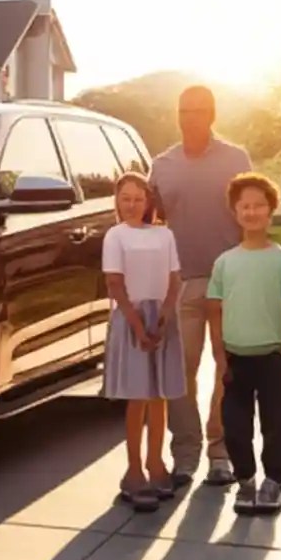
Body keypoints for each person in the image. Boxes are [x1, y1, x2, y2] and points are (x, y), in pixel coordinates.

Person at [148, 85, 252, 489]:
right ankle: (186, 454)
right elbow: (151, 223)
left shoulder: (236, 159)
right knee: (181, 372)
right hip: (182, 284)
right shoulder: (163, 164)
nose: (188, 117)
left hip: (229, 282)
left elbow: (251, 213)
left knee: (228, 371)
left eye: (196, 110)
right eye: (182, 110)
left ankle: (220, 452)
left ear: (211, 114)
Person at [206, 172, 281, 514]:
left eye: (259, 206)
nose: (251, 212)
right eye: (244, 206)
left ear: (271, 210)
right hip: (236, 358)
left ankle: (274, 482)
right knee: (235, 424)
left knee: (277, 423)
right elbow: (215, 310)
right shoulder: (225, 262)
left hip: (271, 358)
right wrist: (220, 355)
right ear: (235, 212)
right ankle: (245, 480)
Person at [102, 171, 187, 513]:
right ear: (118, 203)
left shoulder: (164, 235)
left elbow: (175, 279)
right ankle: (134, 469)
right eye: (126, 199)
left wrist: (165, 316)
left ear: (148, 201)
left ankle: (156, 462)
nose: (132, 205)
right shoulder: (115, 236)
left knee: (158, 395)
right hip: (132, 316)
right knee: (138, 395)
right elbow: (115, 285)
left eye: (138, 198)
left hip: (161, 317)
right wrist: (138, 326)